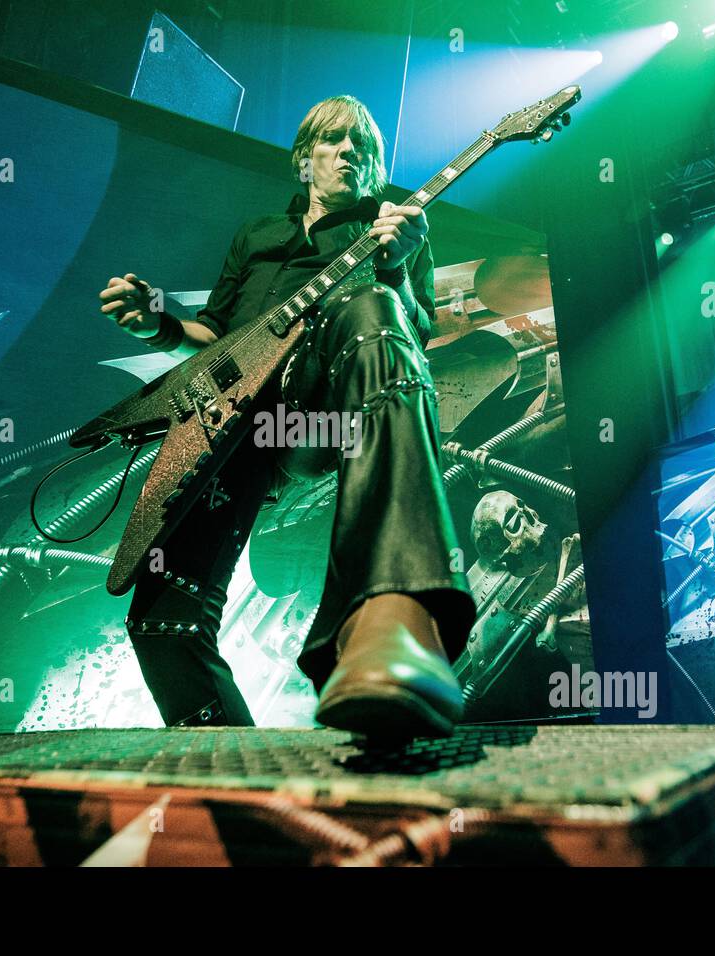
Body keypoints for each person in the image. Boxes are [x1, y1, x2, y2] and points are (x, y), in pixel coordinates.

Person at [96, 94, 477, 738]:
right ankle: (226, 760)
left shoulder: (386, 230)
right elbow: (213, 334)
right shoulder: (256, 235)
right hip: (230, 422)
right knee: (163, 623)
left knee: (371, 309)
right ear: (305, 159)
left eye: (363, 144)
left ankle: (395, 612)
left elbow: (408, 333)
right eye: (334, 140)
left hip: (314, 415)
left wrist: (402, 263)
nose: (350, 151)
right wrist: (155, 326)